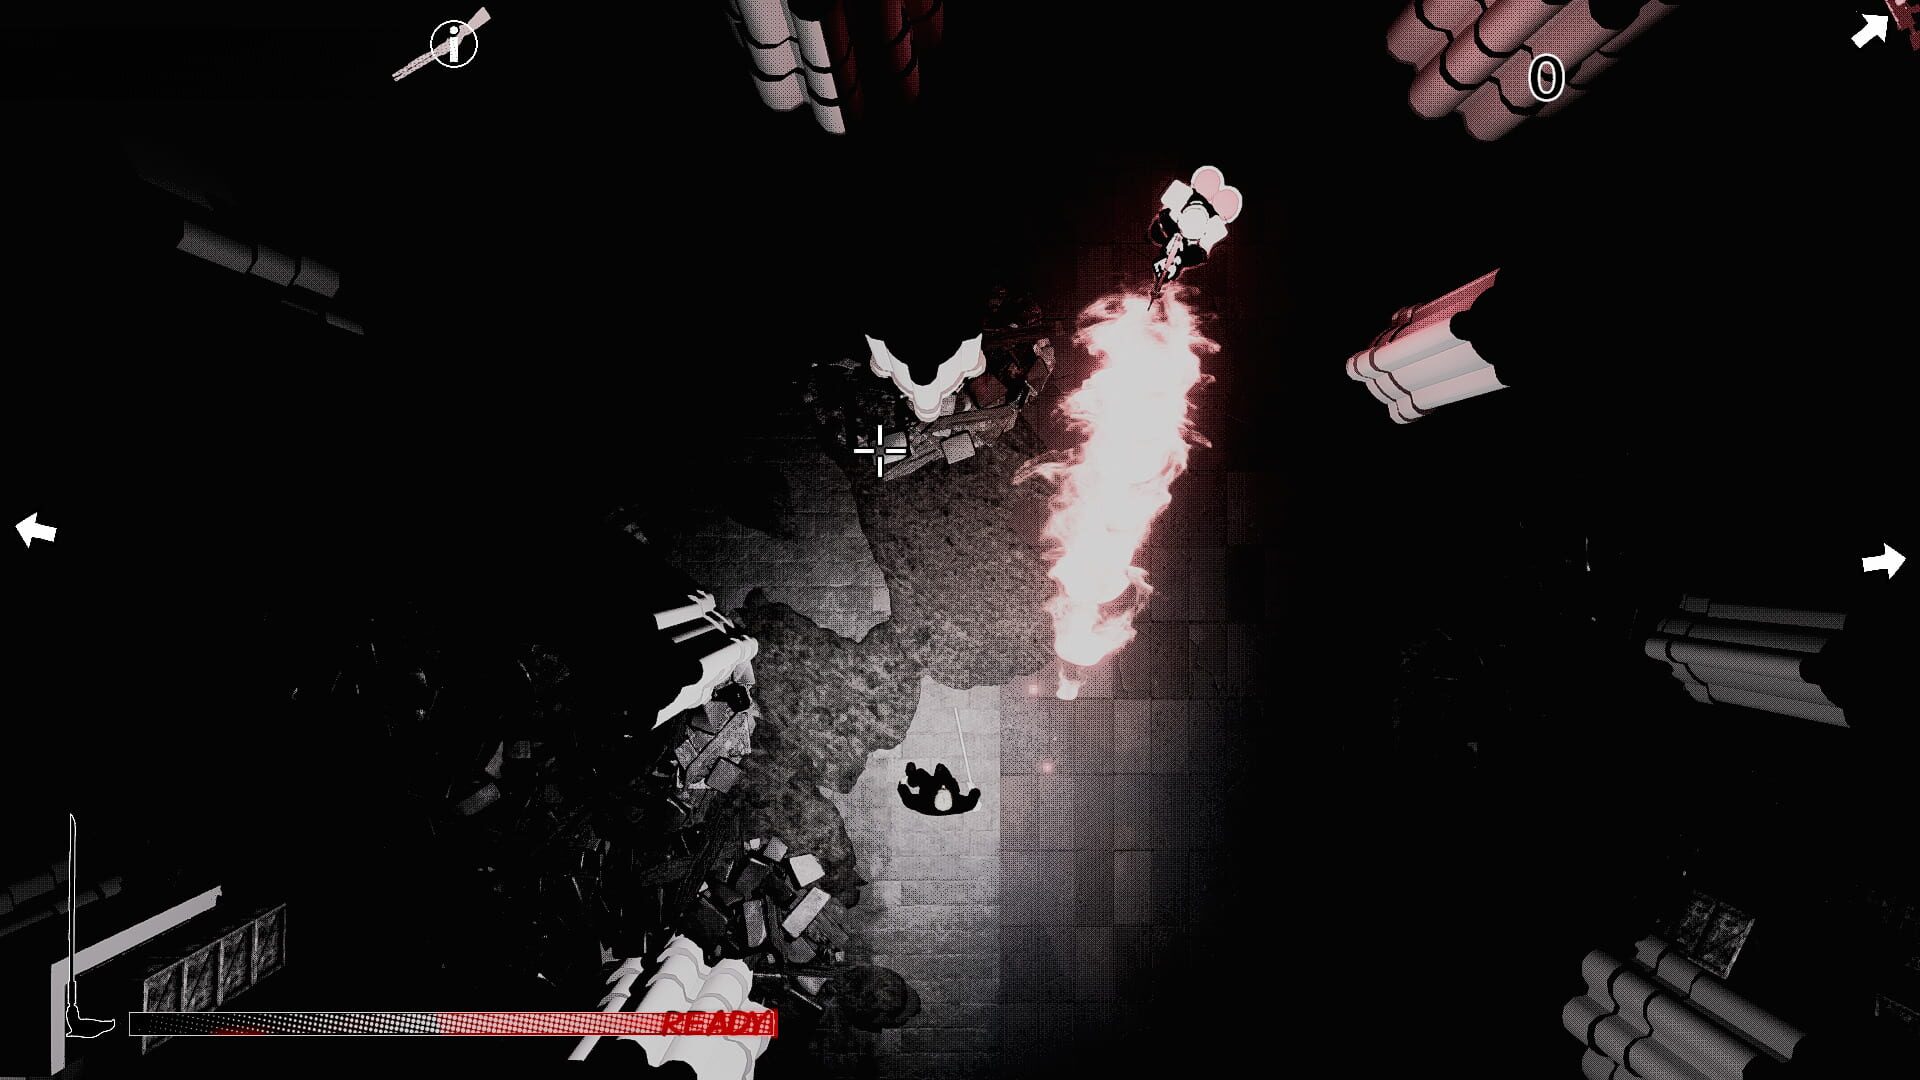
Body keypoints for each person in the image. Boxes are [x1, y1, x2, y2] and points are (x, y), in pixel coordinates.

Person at [896, 761, 979, 816]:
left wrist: (902, 784)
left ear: (935, 798)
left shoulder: (924, 805)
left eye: (941, 791)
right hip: (948, 786)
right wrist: (973, 789)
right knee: (940, 768)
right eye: (944, 790)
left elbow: (907, 799)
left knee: (920, 773)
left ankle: (911, 779)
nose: (943, 787)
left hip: (929, 790)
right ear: (952, 799)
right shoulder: (960, 805)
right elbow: (972, 801)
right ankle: (939, 773)